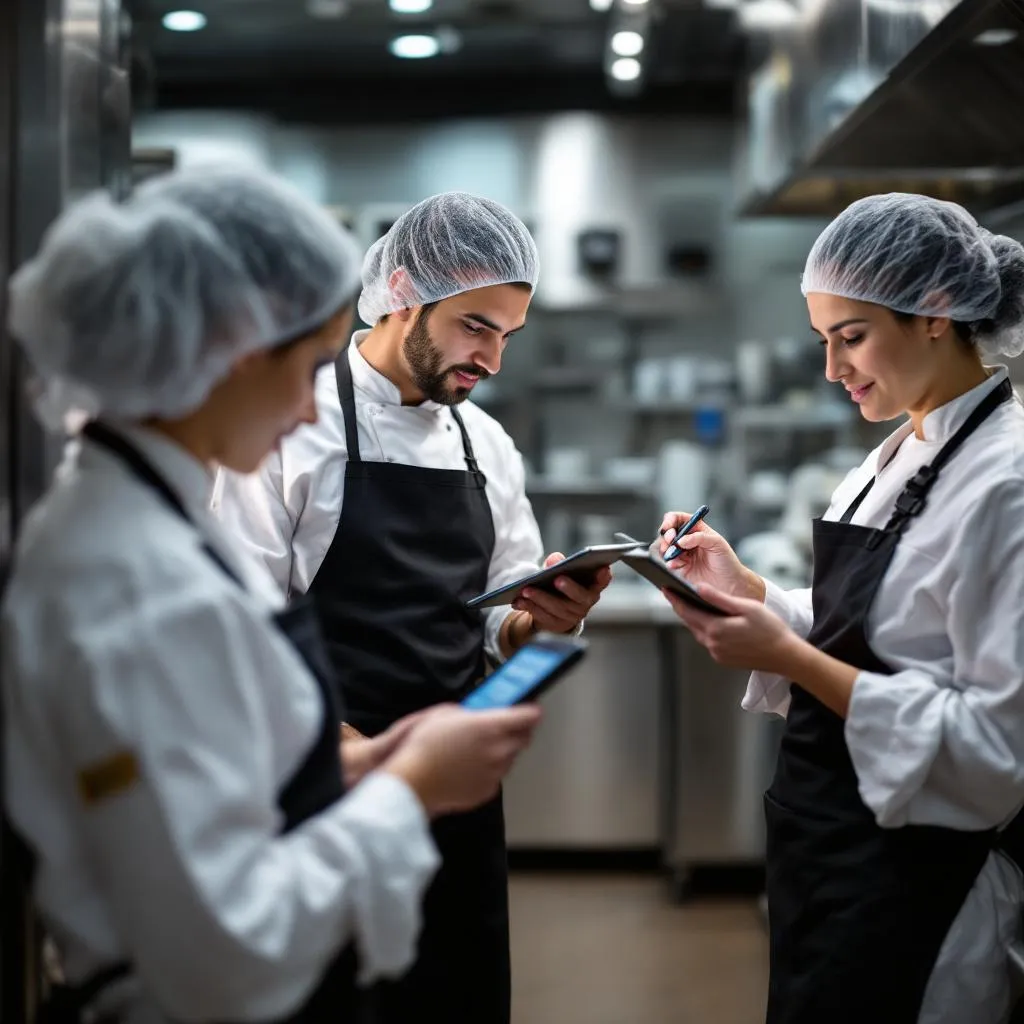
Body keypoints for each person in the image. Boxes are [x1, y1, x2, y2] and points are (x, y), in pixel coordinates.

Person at [0, 164, 543, 1024]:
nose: (304, 410)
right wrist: (405, 791)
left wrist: (371, 759)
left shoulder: (149, 522)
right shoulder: (131, 583)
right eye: (303, 363)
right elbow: (227, 948)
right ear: (228, 351)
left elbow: (224, 756)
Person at [213, 191, 610, 1023]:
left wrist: (550, 616)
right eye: (476, 326)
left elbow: (500, 620)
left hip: (456, 794)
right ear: (402, 291)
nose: (493, 359)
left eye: (507, 334)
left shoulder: (485, 443)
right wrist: (351, 754)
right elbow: (238, 629)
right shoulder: (292, 421)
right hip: (327, 783)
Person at [658, 193, 1024, 1024]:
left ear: (935, 312)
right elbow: (878, 636)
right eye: (824, 340)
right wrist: (754, 595)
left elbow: (994, 748)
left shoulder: (1006, 483)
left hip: (930, 893)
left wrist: (788, 657)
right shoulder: (899, 450)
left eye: (850, 337)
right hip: (833, 862)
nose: (832, 370)